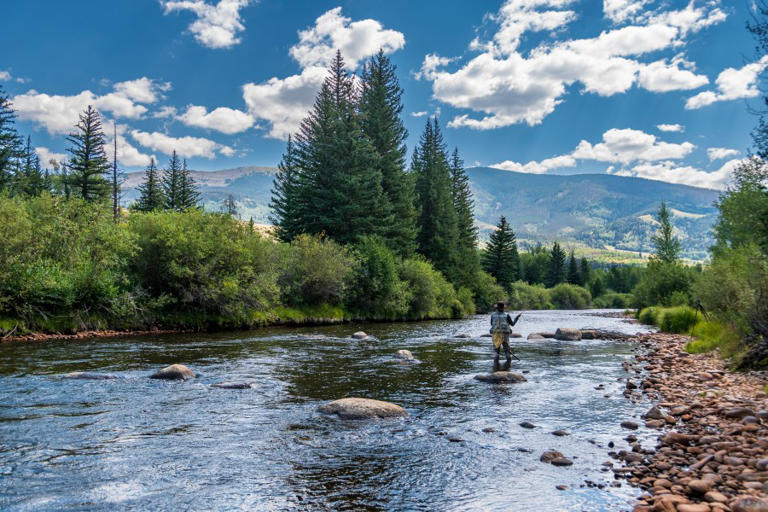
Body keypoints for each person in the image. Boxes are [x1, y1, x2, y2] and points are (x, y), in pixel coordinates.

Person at [490, 302, 521, 368]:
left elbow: (491, 324)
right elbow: (512, 324)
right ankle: (508, 364)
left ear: (497, 308)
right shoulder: (506, 315)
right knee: (507, 350)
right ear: (503, 307)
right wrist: (517, 318)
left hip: (495, 334)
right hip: (505, 334)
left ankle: (496, 366)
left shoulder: (493, 315)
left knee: (496, 350)